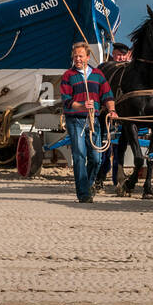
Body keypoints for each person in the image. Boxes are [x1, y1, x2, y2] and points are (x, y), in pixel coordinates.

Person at [59, 42, 116, 202]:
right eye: (75, 56)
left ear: (88, 57)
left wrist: (111, 110)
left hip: (94, 120)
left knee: (96, 159)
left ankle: (88, 184)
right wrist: (82, 105)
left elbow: (107, 95)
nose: (77, 59)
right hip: (75, 120)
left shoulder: (98, 75)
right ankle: (83, 194)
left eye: (80, 56)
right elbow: (66, 101)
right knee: (79, 156)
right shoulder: (68, 76)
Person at [95, 42, 133, 189]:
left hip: (122, 116)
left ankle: (117, 179)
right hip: (105, 114)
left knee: (119, 148)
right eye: (117, 55)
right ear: (113, 55)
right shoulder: (105, 69)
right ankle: (100, 176)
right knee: (104, 146)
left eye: (123, 55)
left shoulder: (130, 73)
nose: (120, 58)